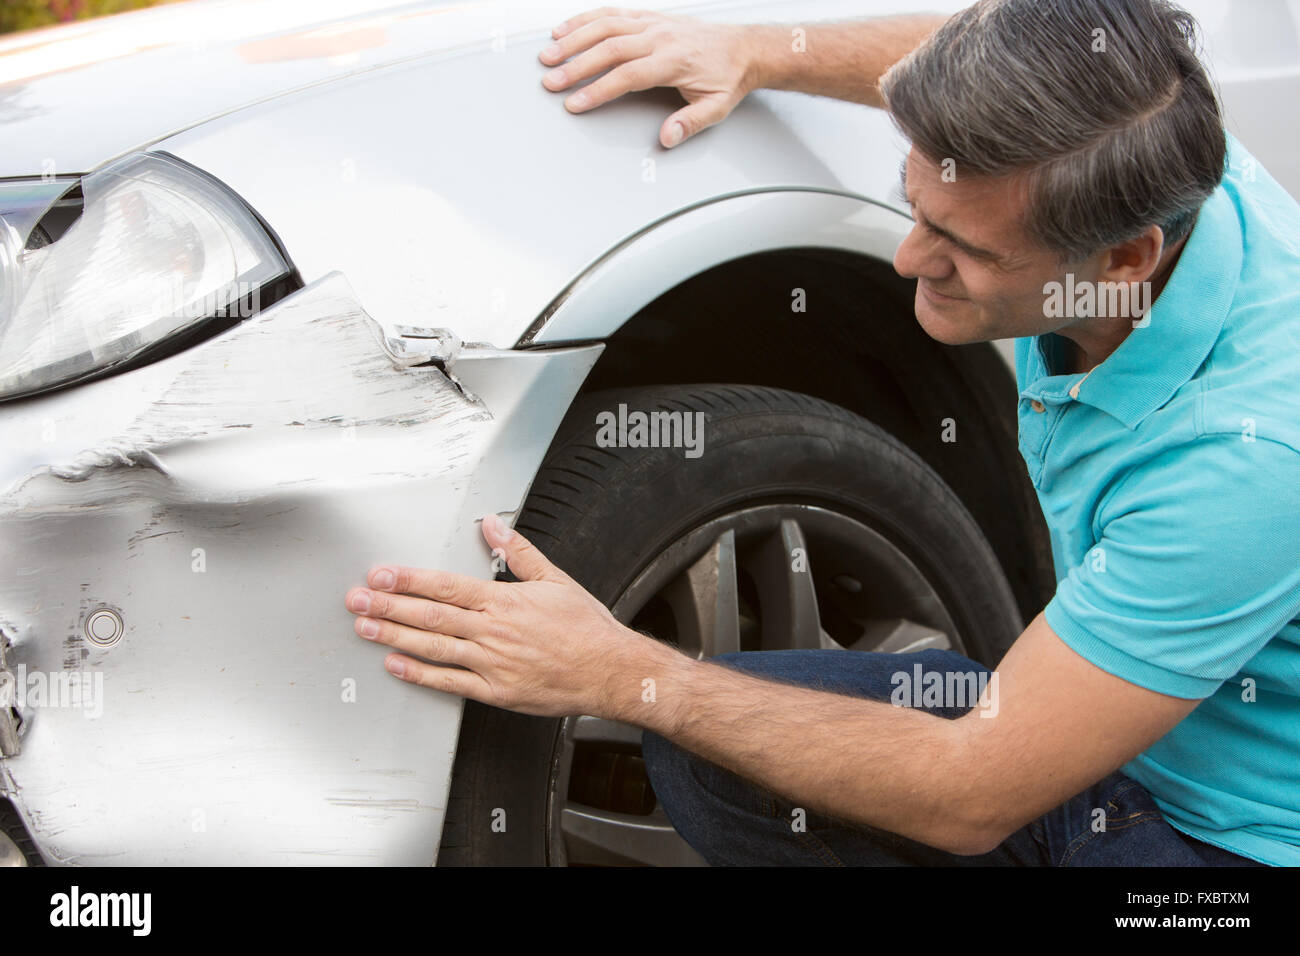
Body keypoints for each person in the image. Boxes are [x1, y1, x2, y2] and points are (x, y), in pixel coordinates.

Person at [343, 0, 1300, 865]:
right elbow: (965, 53)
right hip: (1120, 756)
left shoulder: (1244, 467)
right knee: (726, 759)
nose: (908, 256)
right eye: (917, 204)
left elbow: (974, 794)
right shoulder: (1155, 145)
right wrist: (752, 51)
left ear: (1124, 258)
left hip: (1224, 847)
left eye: (964, 246)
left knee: (716, 718)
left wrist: (623, 673)